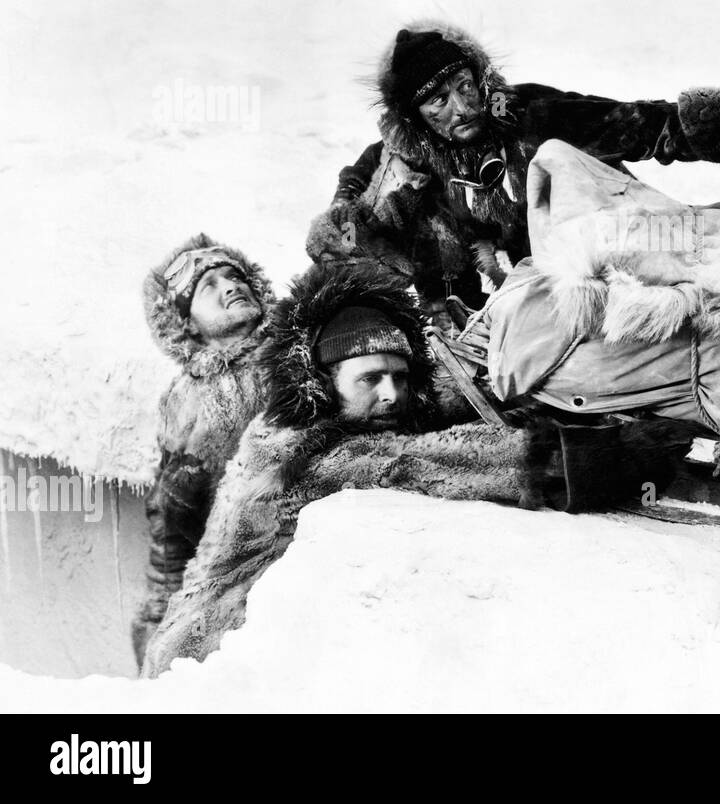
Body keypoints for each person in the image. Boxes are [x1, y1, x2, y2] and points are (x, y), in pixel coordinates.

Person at [141, 261, 524, 675]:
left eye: (401, 377)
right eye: (370, 379)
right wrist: (555, 456)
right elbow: (411, 460)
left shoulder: (315, 409)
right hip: (205, 653)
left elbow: (409, 410)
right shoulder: (293, 450)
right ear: (323, 384)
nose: (392, 395)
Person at [305, 21, 720, 313]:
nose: (460, 107)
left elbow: (639, 127)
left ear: (479, 78)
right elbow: (348, 210)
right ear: (416, 116)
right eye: (437, 100)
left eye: (464, 86)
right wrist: (344, 222)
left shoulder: (529, 113)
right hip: (493, 317)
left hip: (602, 278)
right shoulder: (404, 158)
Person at [132, 235, 275, 668]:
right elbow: (172, 516)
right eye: (208, 285)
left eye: (235, 276)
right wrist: (158, 616)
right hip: (226, 576)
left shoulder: (297, 352)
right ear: (186, 323)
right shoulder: (183, 399)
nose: (230, 286)